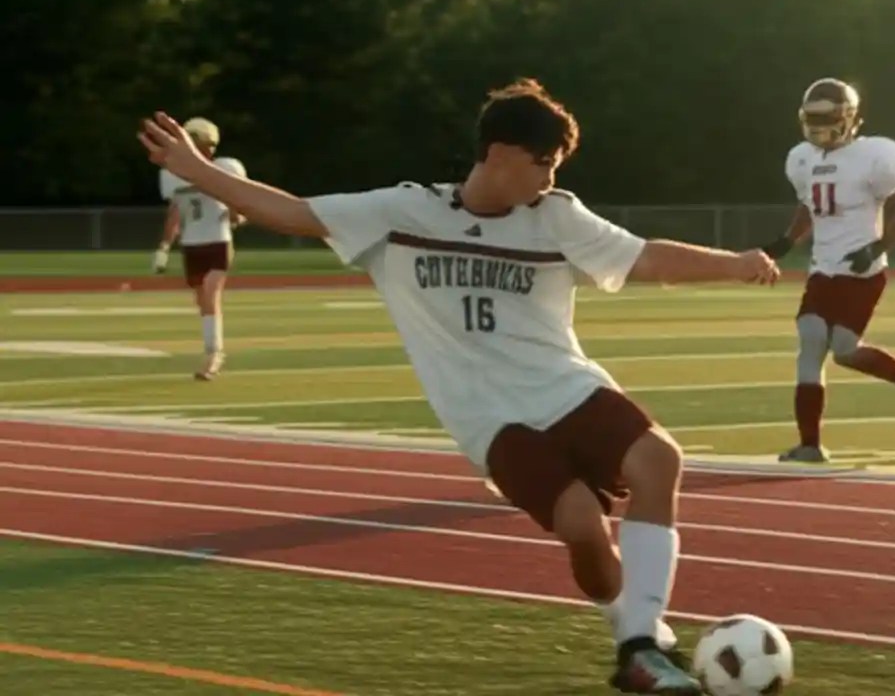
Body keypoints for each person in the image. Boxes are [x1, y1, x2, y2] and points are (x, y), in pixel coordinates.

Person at [137, 78, 779, 695]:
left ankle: (639, 646)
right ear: (500, 155)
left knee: (659, 458)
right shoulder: (403, 211)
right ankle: (633, 631)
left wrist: (736, 264)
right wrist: (199, 170)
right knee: (582, 522)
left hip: (566, 386)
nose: (552, 176)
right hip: (489, 417)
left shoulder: (556, 215)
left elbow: (645, 256)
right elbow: (291, 212)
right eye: (545, 161)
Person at [762, 77, 895, 463]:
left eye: (825, 117)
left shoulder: (872, 156)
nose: (817, 125)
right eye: (811, 117)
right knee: (810, 340)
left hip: (862, 272)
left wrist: (876, 247)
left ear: (848, 118)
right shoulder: (803, 159)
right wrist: (786, 241)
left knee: (844, 351)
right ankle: (810, 444)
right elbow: (809, 207)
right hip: (822, 267)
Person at [152, 117, 246, 380]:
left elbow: (239, 196)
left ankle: (213, 355)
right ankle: (213, 349)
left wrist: (238, 213)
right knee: (202, 300)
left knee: (210, 293)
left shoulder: (225, 168)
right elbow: (175, 213)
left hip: (218, 240)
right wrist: (164, 246)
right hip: (191, 244)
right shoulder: (172, 173)